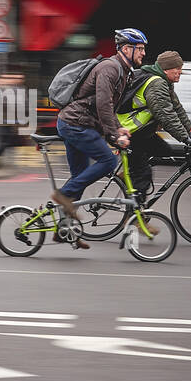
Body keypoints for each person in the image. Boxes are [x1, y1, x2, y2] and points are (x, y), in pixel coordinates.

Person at [54, 27, 148, 244]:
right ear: (126, 49)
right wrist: (114, 136)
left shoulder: (122, 71)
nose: (143, 53)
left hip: (77, 124)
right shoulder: (110, 68)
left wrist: (118, 128)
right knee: (107, 161)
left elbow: (109, 108)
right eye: (140, 48)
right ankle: (62, 195)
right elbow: (103, 104)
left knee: (80, 178)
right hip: (76, 124)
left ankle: (64, 229)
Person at [116, 49, 191, 203]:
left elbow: (176, 108)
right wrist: (184, 138)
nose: (180, 72)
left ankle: (128, 172)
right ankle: (137, 216)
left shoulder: (164, 82)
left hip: (141, 132)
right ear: (166, 69)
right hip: (129, 132)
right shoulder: (156, 84)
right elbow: (166, 115)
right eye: (178, 68)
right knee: (143, 175)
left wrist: (190, 131)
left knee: (164, 150)